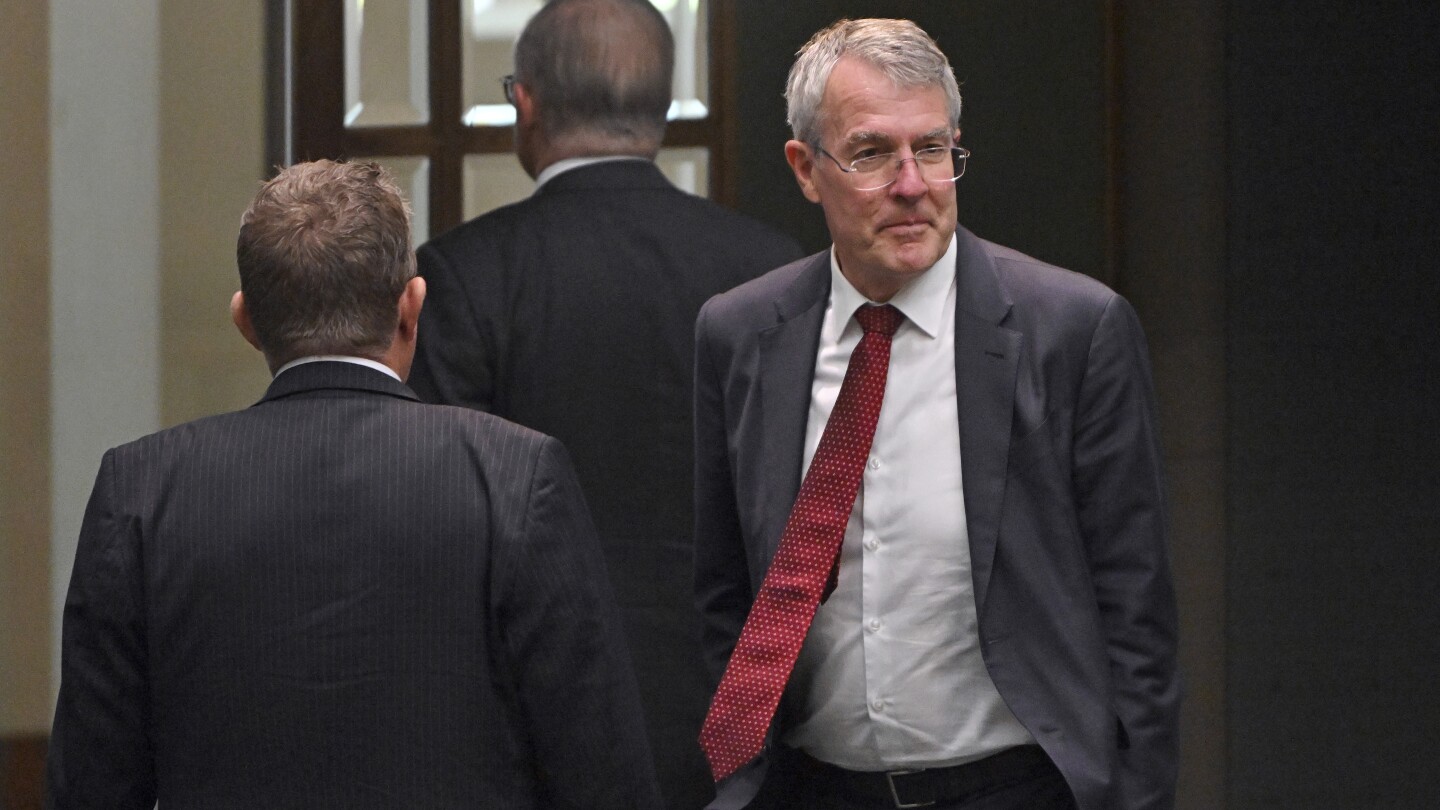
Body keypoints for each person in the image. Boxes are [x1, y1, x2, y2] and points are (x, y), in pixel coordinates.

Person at [46, 159, 662, 809]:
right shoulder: (517, 477)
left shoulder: (141, 491)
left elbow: (91, 784)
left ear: (246, 320)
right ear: (411, 308)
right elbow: (602, 775)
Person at [693, 18, 1179, 810]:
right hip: (812, 790)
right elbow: (724, 589)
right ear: (806, 169)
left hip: (1016, 788)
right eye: (873, 153)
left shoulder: (1074, 331)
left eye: (933, 149)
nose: (913, 183)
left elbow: (1139, 612)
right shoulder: (741, 334)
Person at [407, 1, 802, 805]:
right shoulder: (772, 270)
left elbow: (434, 520)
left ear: (526, 104)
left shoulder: (462, 274)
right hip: (741, 715)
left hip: (535, 715)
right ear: (661, 110)